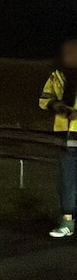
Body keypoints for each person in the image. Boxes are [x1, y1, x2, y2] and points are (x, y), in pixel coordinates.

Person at [41, 39, 77, 237]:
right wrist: (58, 107)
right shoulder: (57, 76)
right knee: (67, 181)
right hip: (66, 137)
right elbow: (45, 100)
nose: (69, 56)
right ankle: (67, 222)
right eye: (67, 52)